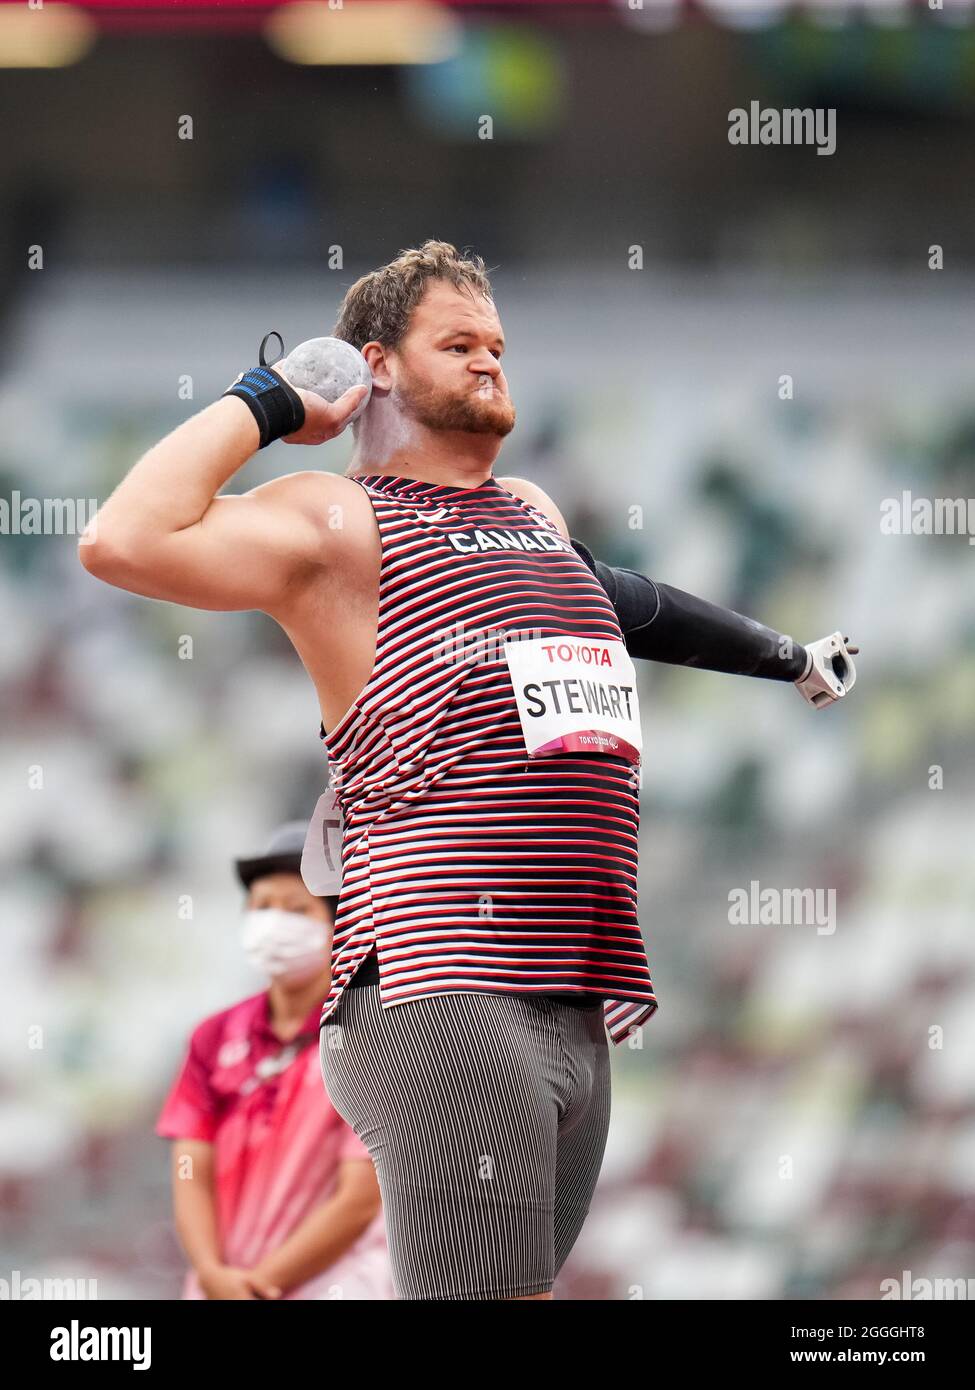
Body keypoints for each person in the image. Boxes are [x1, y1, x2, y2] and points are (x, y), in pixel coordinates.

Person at [82, 239, 855, 1300]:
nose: (493, 362)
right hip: (443, 981)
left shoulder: (530, 513)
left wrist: (786, 657)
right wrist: (269, 401)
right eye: (459, 344)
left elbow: (629, 604)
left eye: (498, 344)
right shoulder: (339, 519)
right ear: (375, 367)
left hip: (573, 994)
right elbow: (122, 538)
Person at [155, 822, 393, 1300]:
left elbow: (359, 1199)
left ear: (340, 924)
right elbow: (190, 1171)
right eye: (263, 906)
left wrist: (261, 1285)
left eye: (297, 909)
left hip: (339, 1284)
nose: (275, 922)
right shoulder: (214, 1037)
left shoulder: (374, 1033)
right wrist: (211, 1272)